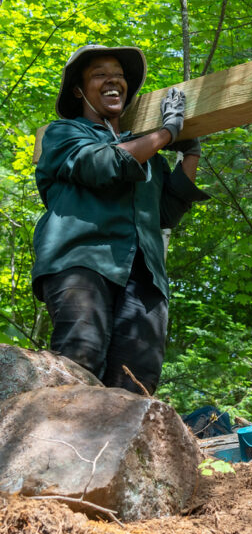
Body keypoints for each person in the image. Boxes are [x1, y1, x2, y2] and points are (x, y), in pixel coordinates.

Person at [32, 44, 209, 396]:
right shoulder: (64, 134)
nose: (113, 81)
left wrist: (190, 151)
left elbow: (166, 213)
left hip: (144, 276)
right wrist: (166, 133)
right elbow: (103, 165)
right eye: (100, 74)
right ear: (79, 90)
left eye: (119, 75)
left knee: (135, 384)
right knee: (80, 360)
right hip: (82, 261)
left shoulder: (147, 153)